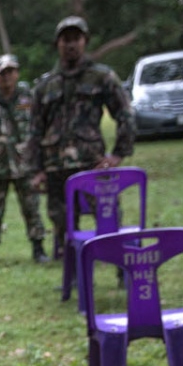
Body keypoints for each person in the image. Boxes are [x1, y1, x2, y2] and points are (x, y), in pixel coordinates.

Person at [23, 16, 136, 258]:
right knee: (63, 225)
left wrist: (118, 154)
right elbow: (34, 130)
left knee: (109, 218)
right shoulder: (45, 85)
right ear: (57, 44)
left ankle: (121, 268)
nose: (71, 44)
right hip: (56, 169)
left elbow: (125, 114)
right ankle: (72, 278)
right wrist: (36, 170)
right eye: (66, 40)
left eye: (76, 39)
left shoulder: (101, 77)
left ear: (85, 41)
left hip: (93, 165)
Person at [0, 56, 48, 265]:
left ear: (17, 73)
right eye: (2, 73)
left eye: (10, 72)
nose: (7, 77)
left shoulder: (28, 99)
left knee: (31, 207)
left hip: (24, 163)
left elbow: (38, 129)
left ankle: (38, 248)